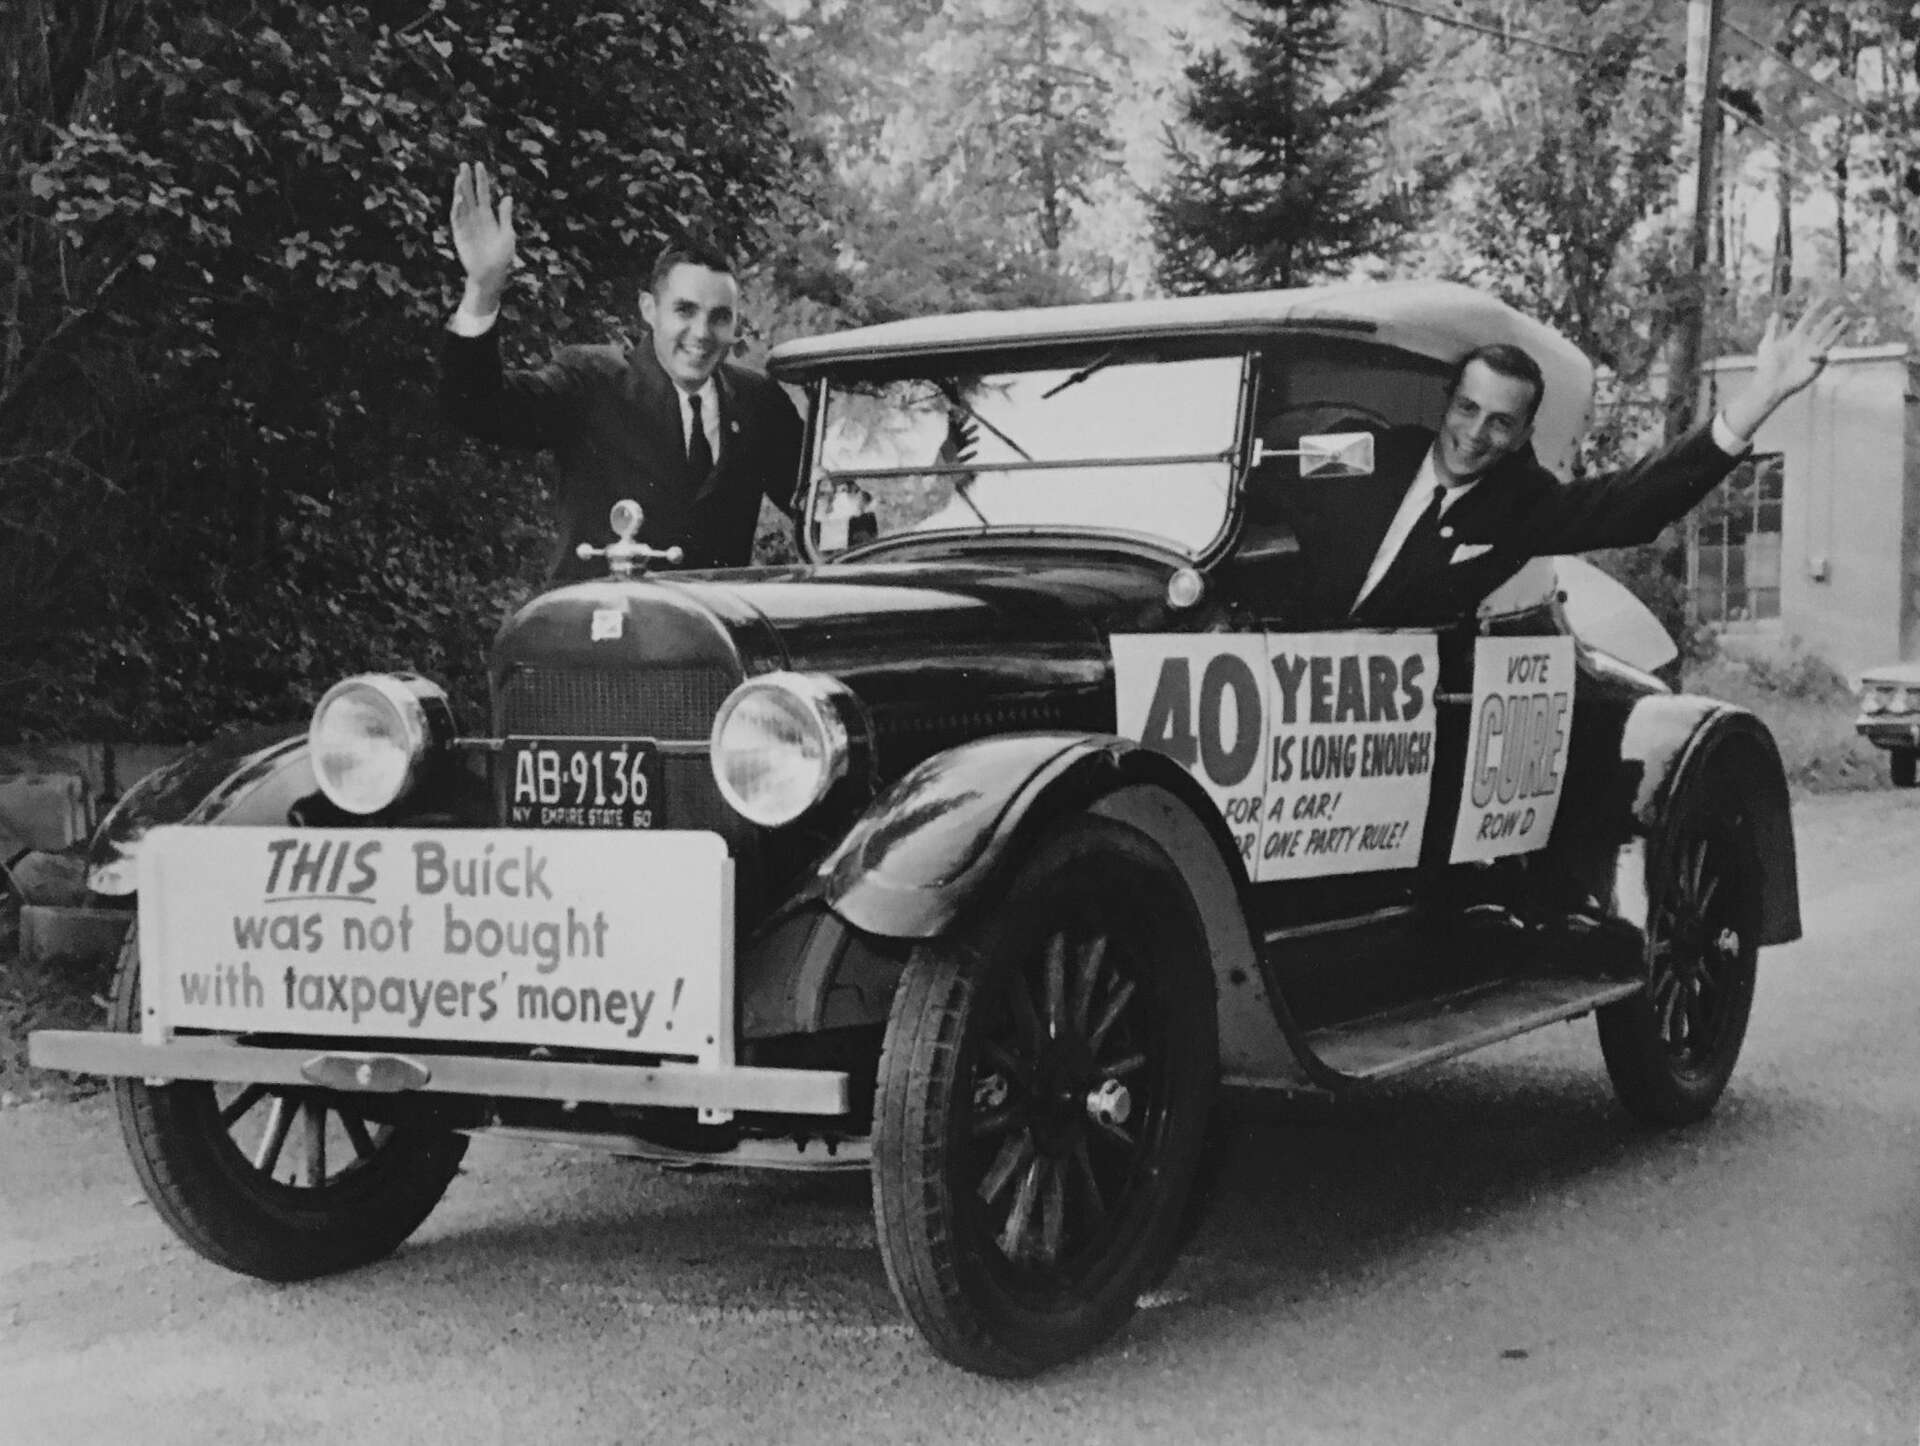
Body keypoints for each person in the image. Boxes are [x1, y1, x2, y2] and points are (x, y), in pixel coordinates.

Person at [1288, 302, 1852, 628]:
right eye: (1467, 408)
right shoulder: (1366, 452)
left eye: (1500, 422)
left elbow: (1635, 503)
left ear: (1522, 435)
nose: (1475, 434)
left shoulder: (1520, 505)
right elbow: (1262, 477)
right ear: (1447, 402)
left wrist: (1762, 398)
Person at [439, 163, 804, 581]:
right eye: (684, 310)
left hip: (711, 638)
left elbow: (818, 508)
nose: (702, 334)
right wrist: (482, 290)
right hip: (600, 636)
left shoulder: (758, 403)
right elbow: (479, 407)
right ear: (649, 309)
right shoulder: (592, 382)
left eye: (720, 317)